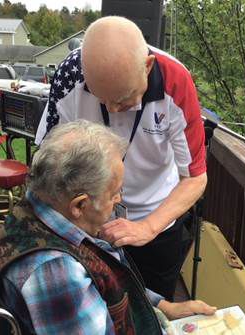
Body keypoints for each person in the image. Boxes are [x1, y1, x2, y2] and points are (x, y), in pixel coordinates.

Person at [0, 120, 217, 335]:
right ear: (80, 204)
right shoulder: (58, 271)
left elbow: (110, 287)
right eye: (114, 193)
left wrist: (165, 307)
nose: (118, 199)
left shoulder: (38, 210)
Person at [35, 16, 206, 300]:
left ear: (147, 67)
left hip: (157, 222)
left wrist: (147, 228)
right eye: (103, 99)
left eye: (124, 99)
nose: (113, 111)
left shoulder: (176, 80)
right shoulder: (69, 75)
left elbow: (196, 177)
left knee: (152, 314)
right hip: (89, 224)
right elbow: (48, 166)